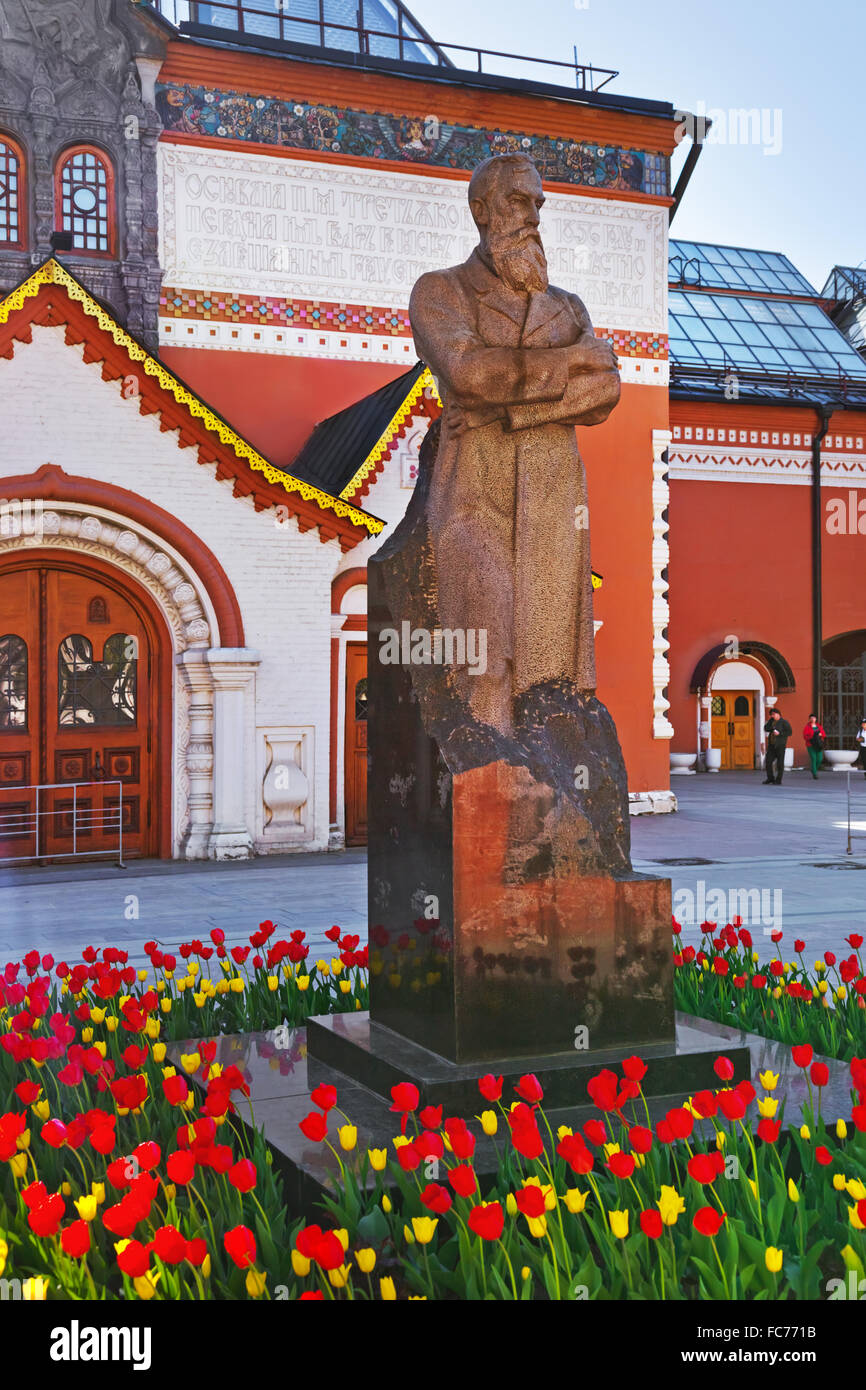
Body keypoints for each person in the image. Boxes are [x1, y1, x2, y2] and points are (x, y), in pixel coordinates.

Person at [763, 708, 792, 784]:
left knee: (780, 763)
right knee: (768, 761)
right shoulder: (771, 721)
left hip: (780, 745)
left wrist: (780, 733)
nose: (772, 716)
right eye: (771, 715)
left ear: (778, 714)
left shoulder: (784, 722)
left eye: (773, 714)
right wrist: (772, 728)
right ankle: (770, 778)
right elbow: (766, 728)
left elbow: (789, 732)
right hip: (772, 745)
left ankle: (778, 780)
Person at [803, 712, 827, 779]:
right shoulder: (807, 727)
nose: (812, 719)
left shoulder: (819, 726)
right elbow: (805, 736)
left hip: (818, 745)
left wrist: (820, 735)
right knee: (813, 758)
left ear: (816, 719)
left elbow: (824, 734)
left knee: (819, 759)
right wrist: (812, 736)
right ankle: (814, 773)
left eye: (814, 718)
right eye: (811, 718)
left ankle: (814, 769)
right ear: (809, 719)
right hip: (810, 745)